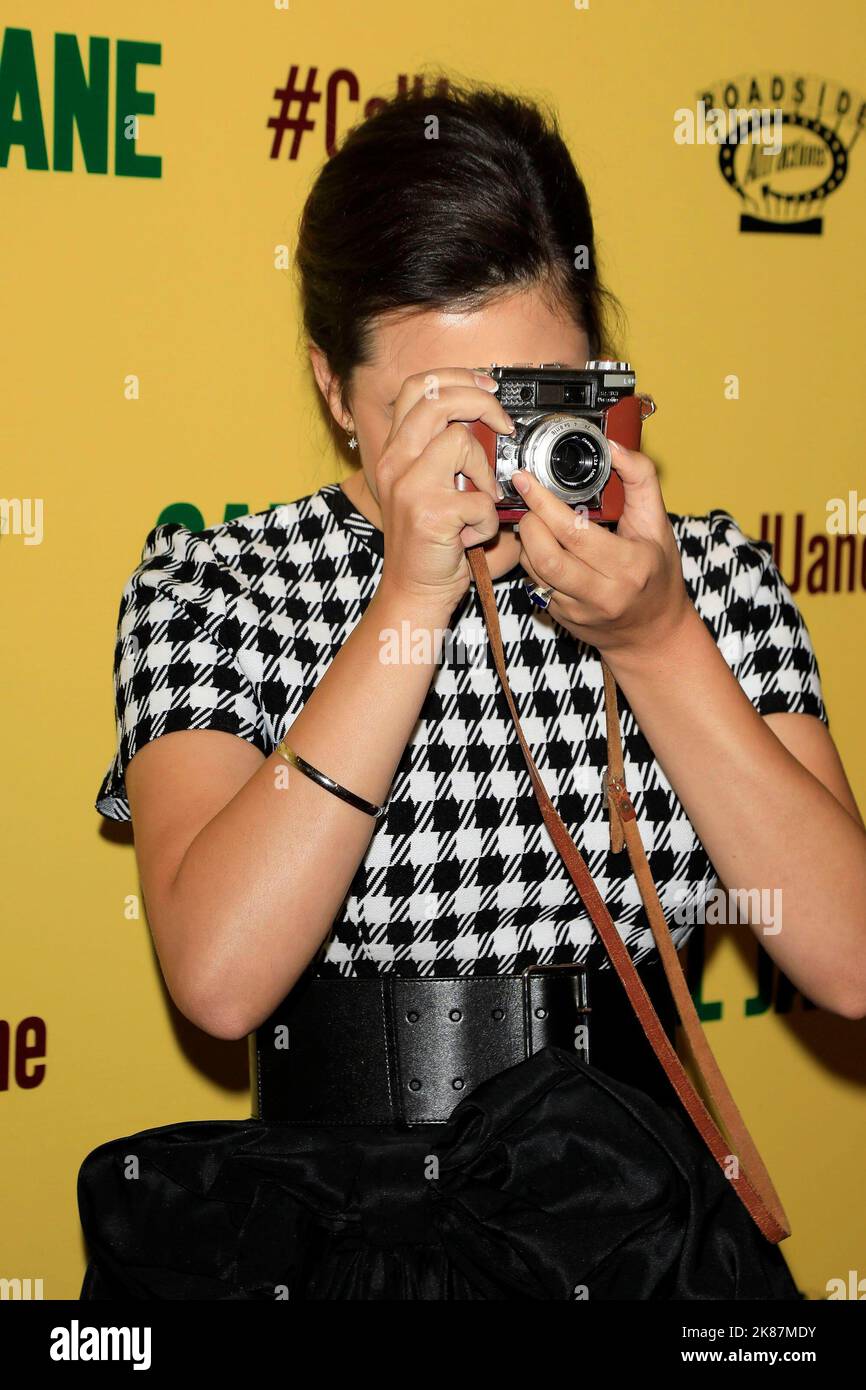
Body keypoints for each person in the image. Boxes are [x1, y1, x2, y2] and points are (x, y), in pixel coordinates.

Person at [77, 76, 866, 1301]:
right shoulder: (219, 586)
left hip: (633, 1235)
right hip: (338, 1244)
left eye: (534, 397)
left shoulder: (695, 578)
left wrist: (656, 643)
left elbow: (849, 960)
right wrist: (404, 604)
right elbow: (219, 978)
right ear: (334, 392)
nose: (489, 462)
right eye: (435, 414)